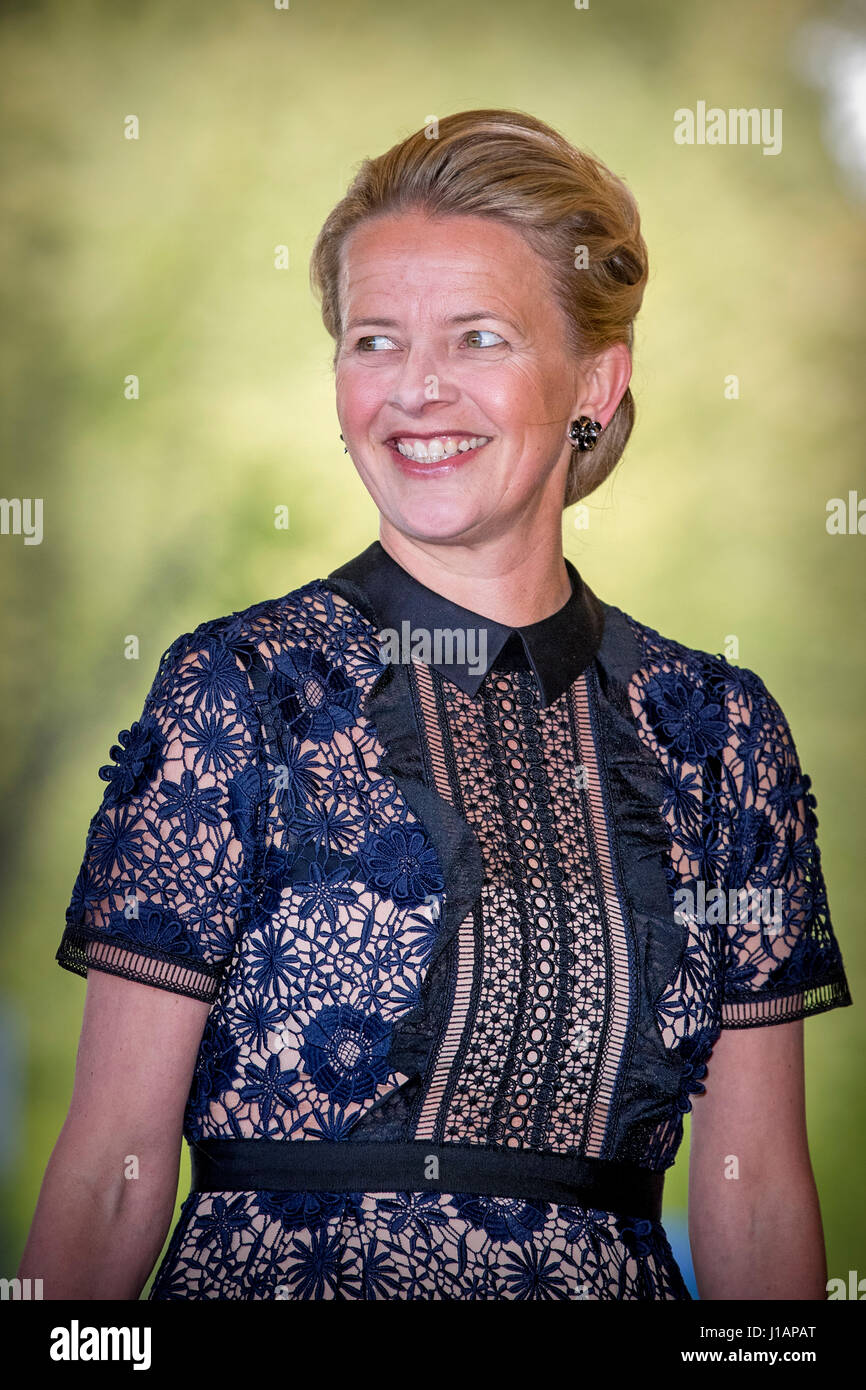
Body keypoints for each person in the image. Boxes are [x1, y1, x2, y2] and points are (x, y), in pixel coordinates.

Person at [19, 108, 851, 1301]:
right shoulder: (240, 693)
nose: (414, 389)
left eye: (475, 337)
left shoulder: (717, 736)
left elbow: (757, 1194)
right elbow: (110, 1171)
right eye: (372, 340)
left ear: (592, 384)